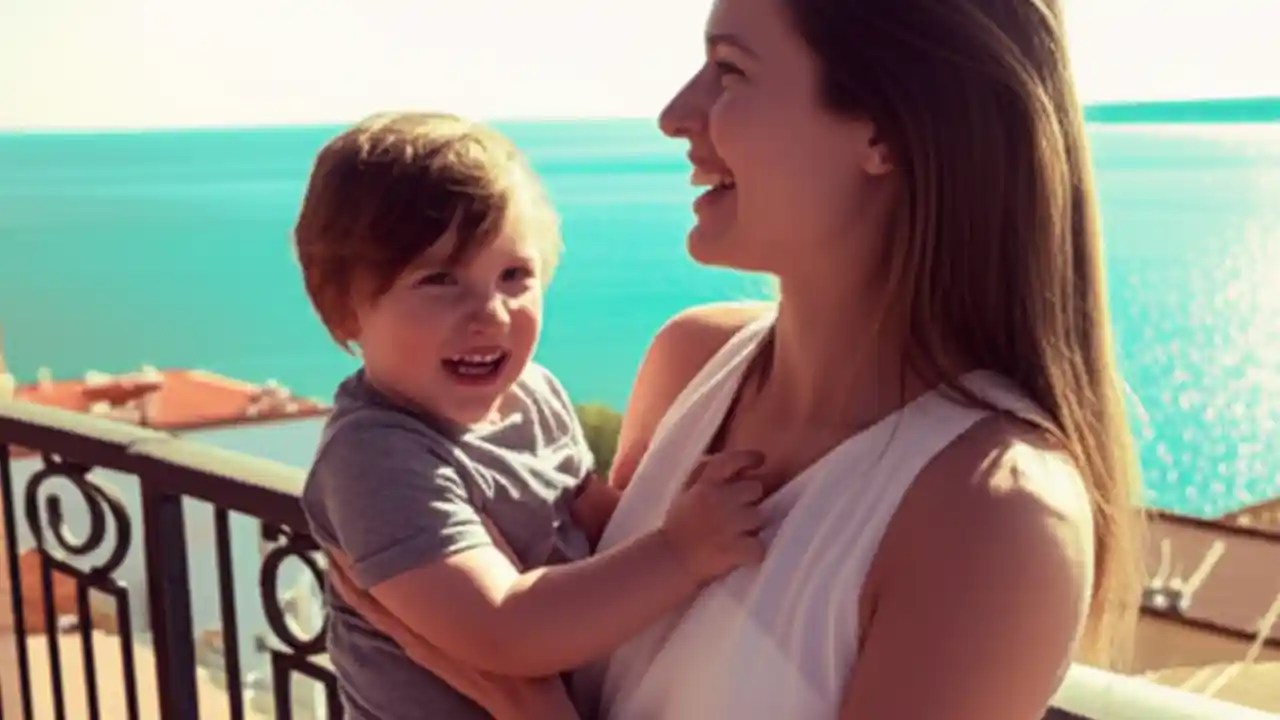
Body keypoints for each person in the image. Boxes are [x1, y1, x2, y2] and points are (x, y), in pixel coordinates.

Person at [333, 0, 1145, 715]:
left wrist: (526, 705)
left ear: (886, 130)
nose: (677, 112)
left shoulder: (994, 516)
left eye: (730, 70)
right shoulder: (690, 361)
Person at [294, 112, 769, 720]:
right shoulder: (377, 457)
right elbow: (503, 630)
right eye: (440, 280)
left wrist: (681, 503)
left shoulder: (534, 393)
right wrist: (680, 550)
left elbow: (594, 518)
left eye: (514, 275)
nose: (490, 313)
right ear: (345, 313)